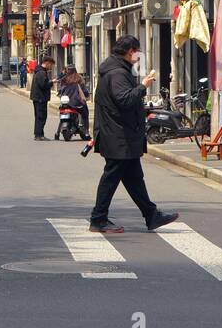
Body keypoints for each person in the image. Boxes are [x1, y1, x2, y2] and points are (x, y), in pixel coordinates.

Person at [87, 35, 179, 234]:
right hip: (118, 136)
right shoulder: (117, 73)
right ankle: (98, 218)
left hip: (122, 135)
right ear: (130, 51)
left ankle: (151, 215)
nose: (138, 55)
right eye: (137, 51)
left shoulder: (115, 70)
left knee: (134, 178)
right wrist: (143, 86)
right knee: (111, 178)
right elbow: (125, 100)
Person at [57, 65, 91, 140]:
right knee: (85, 114)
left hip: (66, 103)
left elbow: (60, 90)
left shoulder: (64, 79)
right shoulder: (79, 78)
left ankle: (57, 133)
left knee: (62, 113)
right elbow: (84, 90)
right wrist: (87, 96)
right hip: (77, 103)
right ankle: (86, 132)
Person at [29, 56, 55, 141]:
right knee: (41, 117)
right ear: (46, 63)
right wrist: (52, 82)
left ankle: (39, 134)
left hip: (38, 97)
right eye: (50, 65)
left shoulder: (40, 71)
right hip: (40, 98)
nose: (51, 67)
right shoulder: (41, 73)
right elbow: (44, 85)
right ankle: (39, 135)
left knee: (39, 116)